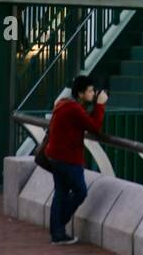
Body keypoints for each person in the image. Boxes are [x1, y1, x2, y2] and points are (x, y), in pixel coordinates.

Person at [45, 75, 108, 245]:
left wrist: (95, 106)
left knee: (61, 193)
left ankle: (56, 232)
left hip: (55, 156)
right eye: (90, 91)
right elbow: (94, 127)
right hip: (68, 158)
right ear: (80, 93)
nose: (93, 93)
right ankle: (58, 227)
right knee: (80, 191)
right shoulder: (74, 109)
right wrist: (101, 105)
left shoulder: (63, 104)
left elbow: (85, 121)